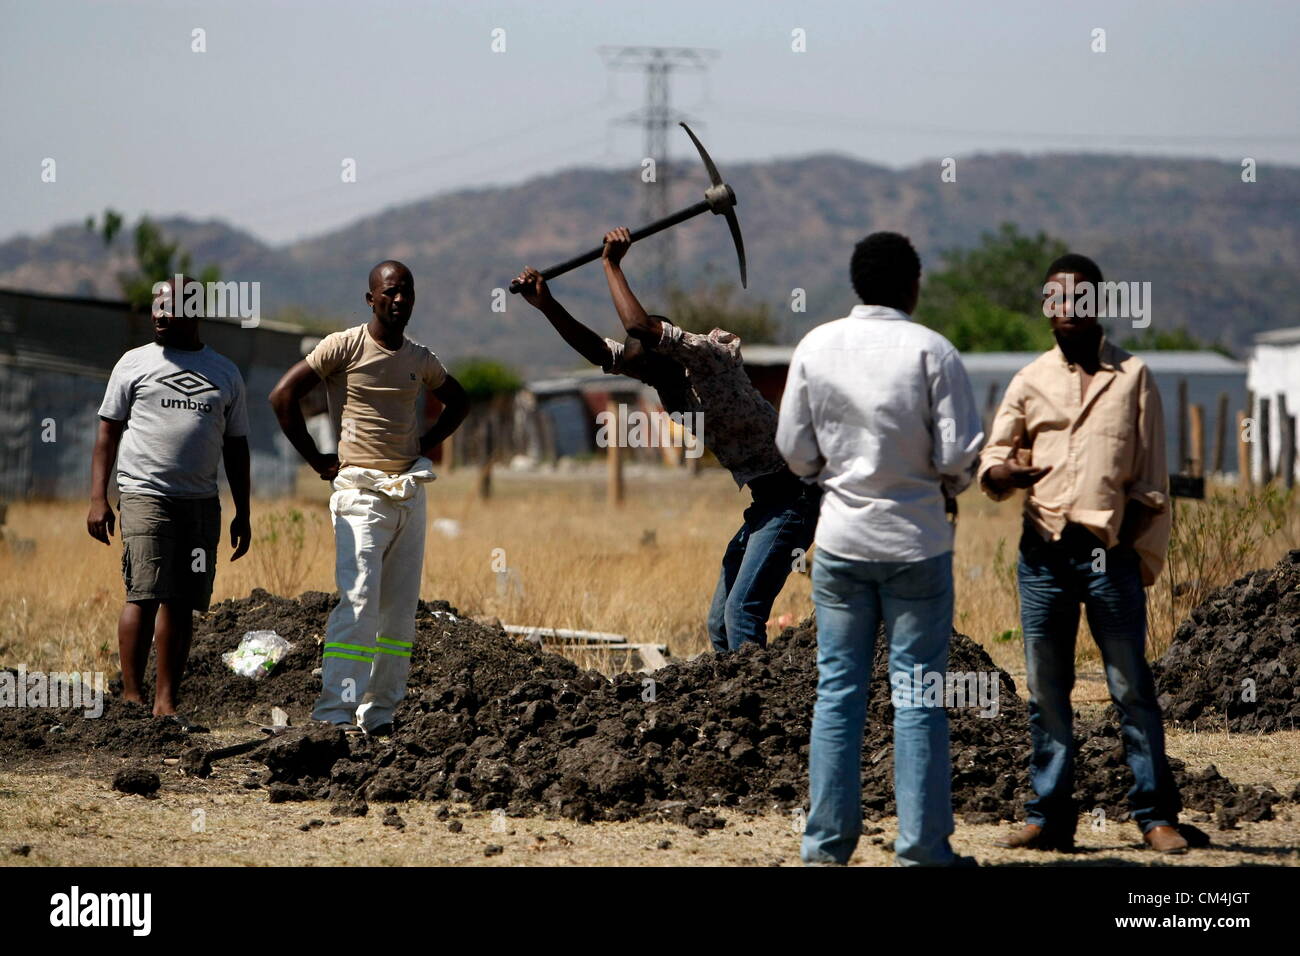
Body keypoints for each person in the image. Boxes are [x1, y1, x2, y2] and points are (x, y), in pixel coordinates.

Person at [776, 231, 984, 866]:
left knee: (837, 692)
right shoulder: (933, 351)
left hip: (839, 543)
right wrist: (942, 482)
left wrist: (830, 476)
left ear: (856, 284)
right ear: (911, 286)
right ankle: (921, 851)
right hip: (916, 542)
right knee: (918, 694)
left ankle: (825, 848)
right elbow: (958, 457)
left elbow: (794, 448)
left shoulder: (816, 346)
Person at [513, 227, 819, 653]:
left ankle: (760, 709)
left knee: (742, 613)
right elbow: (601, 352)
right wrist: (546, 305)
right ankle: (735, 700)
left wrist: (611, 264)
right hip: (766, 502)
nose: (636, 372)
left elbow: (637, 324)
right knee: (719, 623)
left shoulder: (703, 355)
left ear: (662, 350)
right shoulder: (660, 375)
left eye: (642, 363)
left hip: (795, 497)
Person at [979, 253, 1186, 853]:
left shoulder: (1134, 377)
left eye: (1076, 299)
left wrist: (1135, 556)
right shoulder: (1029, 380)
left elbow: (1153, 485)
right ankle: (1048, 816)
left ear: (1099, 304)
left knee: (1130, 688)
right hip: (1042, 557)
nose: (1064, 310)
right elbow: (992, 465)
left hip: (1109, 557)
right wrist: (1006, 474)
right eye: (1053, 300)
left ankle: (1154, 816)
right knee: (1047, 690)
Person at [269, 260, 468, 736]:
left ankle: (379, 715)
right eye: (390, 292)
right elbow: (282, 396)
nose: (399, 301)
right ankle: (334, 715)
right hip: (360, 494)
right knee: (357, 602)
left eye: (407, 293)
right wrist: (318, 460)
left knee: (398, 612)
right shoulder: (344, 346)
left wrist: (425, 441)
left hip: (408, 492)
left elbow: (460, 400)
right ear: (371, 299)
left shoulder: (421, 359)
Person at [87, 275, 251, 728]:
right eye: (156, 305)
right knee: (144, 592)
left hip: (200, 502)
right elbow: (107, 432)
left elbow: (237, 448)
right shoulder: (133, 364)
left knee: (182, 599)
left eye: (171, 305)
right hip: (144, 495)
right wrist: (98, 498)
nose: (159, 313)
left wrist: (244, 511)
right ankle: (132, 698)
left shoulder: (224, 372)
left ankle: (166, 704)